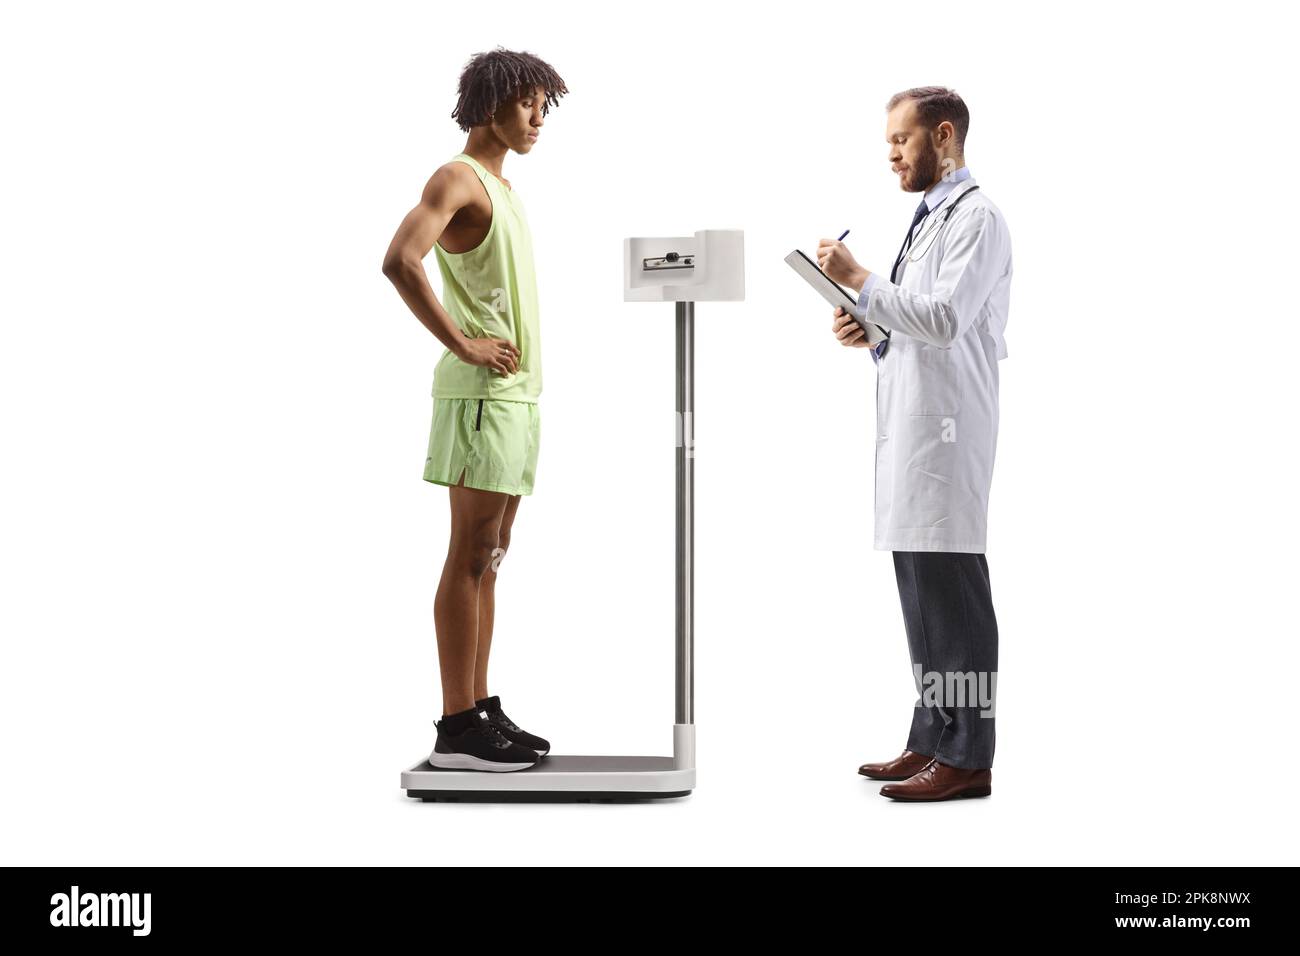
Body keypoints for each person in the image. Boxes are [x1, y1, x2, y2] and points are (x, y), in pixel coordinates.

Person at [816, 86, 1012, 801]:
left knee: (954, 598)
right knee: (922, 594)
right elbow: (915, 321)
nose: (892, 154)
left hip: (949, 434)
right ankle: (931, 739)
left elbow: (947, 319)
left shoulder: (978, 219)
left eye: (902, 139)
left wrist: (859, 278)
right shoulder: (930, 218)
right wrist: (870, 328)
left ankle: (967, 757)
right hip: (914, 429)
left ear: (944, 135)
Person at [382, 48, 567, 772]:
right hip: (482, 399)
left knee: (492, 555)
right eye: (528, 104)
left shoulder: (504, 187)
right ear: (491, 104)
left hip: (516, 399)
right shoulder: (457, 177)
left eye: (545, 107)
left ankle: (480, 706)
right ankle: (456, 725)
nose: (538, 119)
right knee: (469, 554)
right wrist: (462, 343)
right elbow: (401, 259)